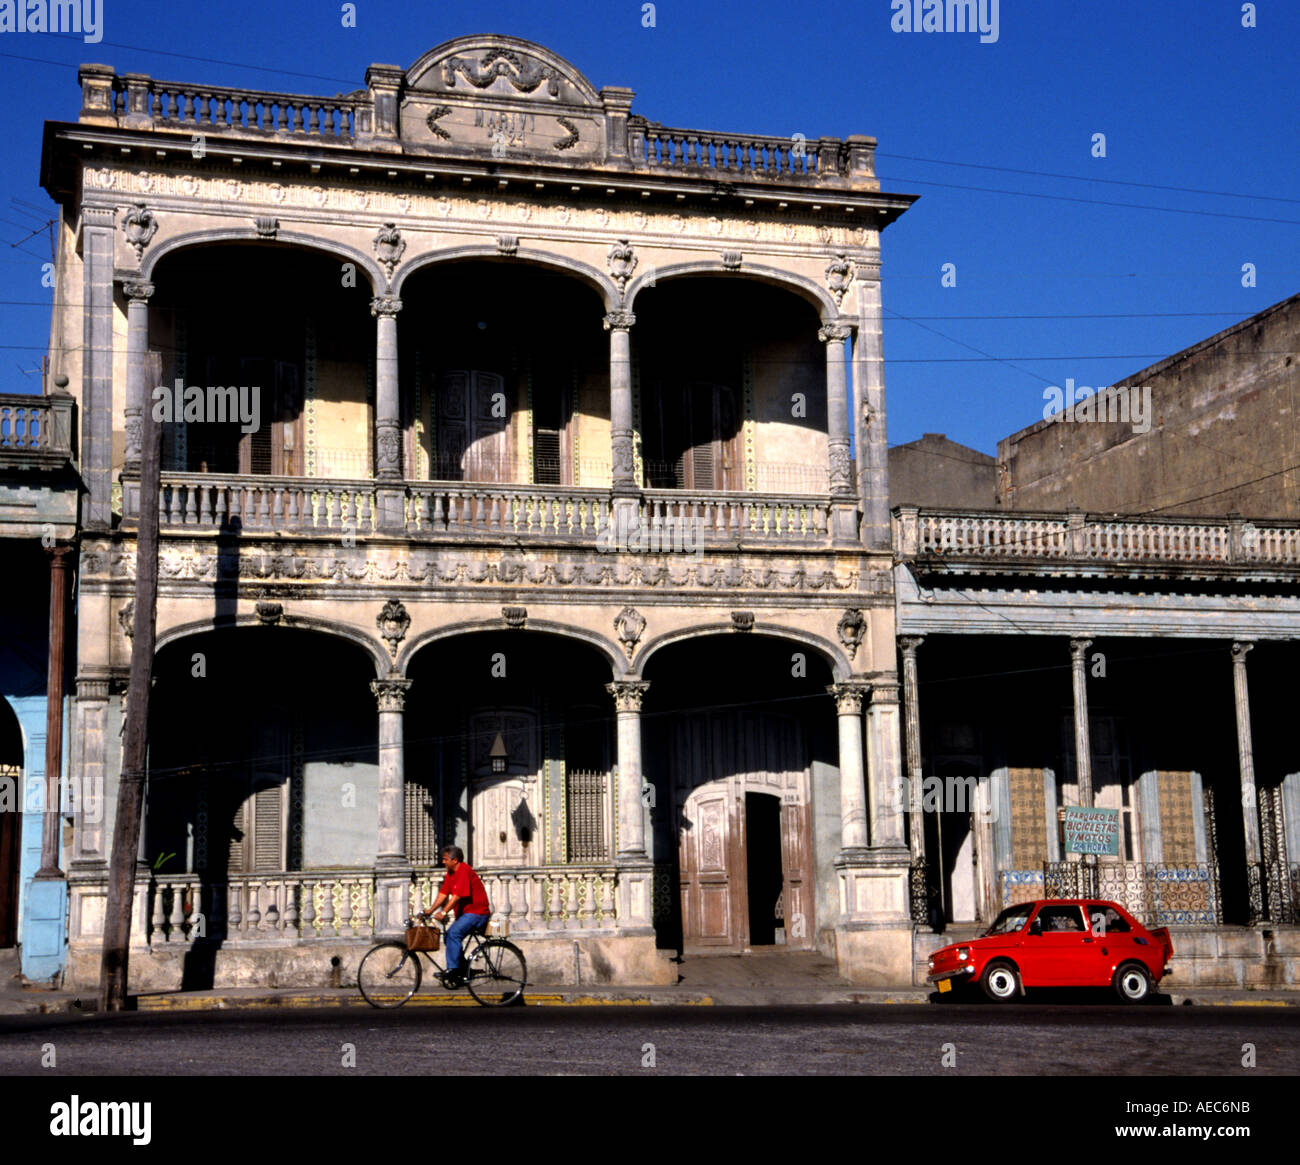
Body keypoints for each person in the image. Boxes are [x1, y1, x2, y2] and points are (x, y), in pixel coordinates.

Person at [425, 845, 491, 988]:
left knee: (454, 933)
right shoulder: (451, 873)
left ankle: (453, 970)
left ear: (455, 860)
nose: (443, 862)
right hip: (466, 914)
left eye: (445, 859)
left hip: (477, 913)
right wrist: (430, 911)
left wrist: (443, 912)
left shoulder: (464, 870)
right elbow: (443, 894)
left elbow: (457, 896)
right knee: (449, 935)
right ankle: (463, 969)